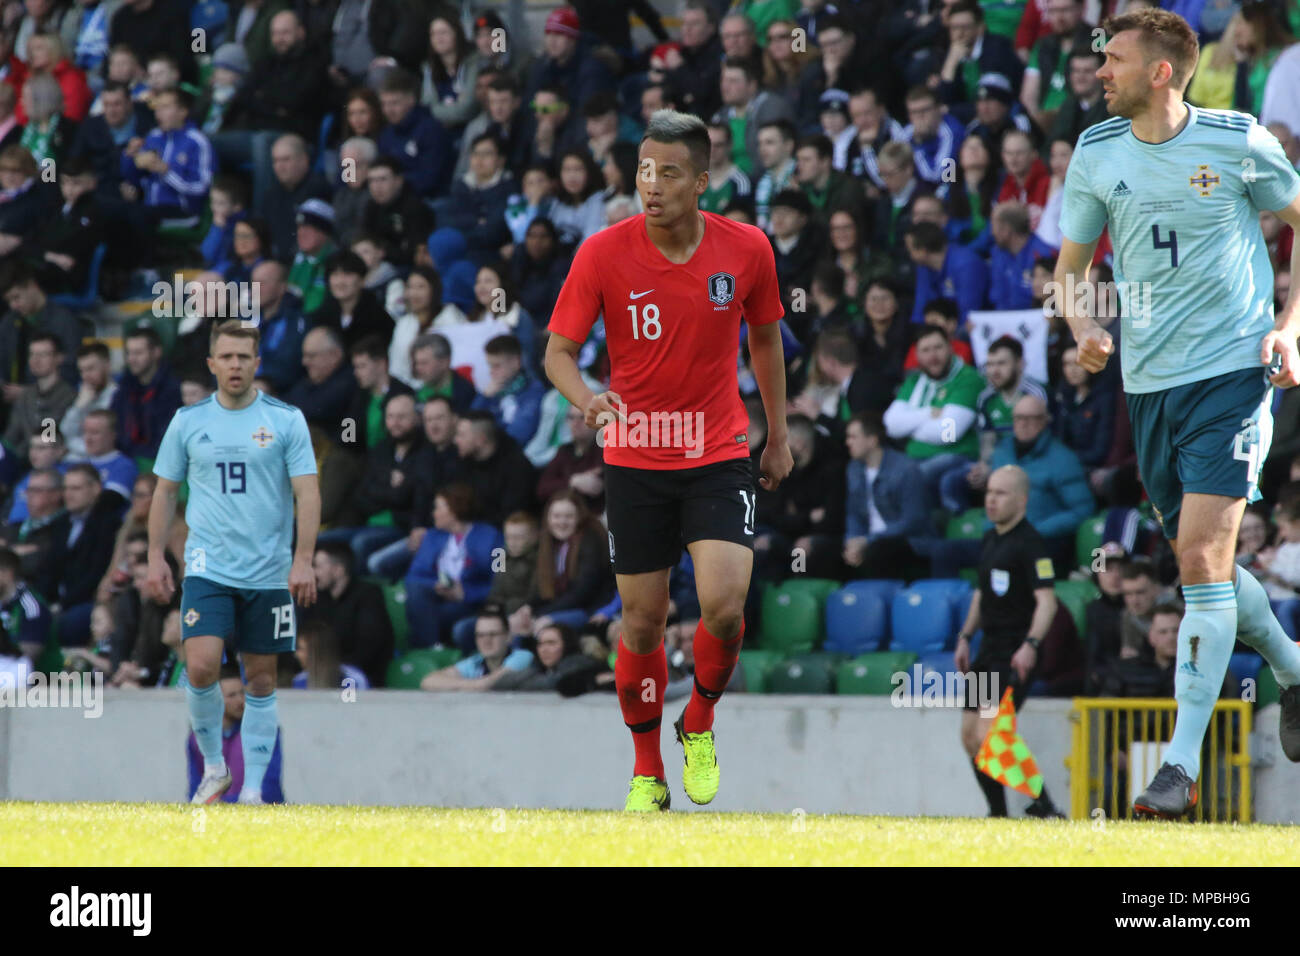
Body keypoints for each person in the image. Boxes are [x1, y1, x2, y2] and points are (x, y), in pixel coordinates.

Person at [1056, 8, 1300, 818]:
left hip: (1233, 372)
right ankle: (1294, 668)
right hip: (1147, 388)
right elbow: (1072, 267)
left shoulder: (1237, 140)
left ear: (1161, 72)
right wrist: (1085, 324)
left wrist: (1290, 327)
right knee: (1211, 570)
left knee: (1198, 561)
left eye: (1114, 58)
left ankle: (1177, 770)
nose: (1100, 70)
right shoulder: (1096, 153)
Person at [545, 110, 792, 812]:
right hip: (636, 457)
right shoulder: (602, 252)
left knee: (723, 606)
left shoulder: (747, 249)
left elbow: (766, 341)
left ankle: (701, 721)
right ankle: (648, 771)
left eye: (669, 173)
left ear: (703, 181)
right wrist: (588, 398)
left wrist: (776, 435)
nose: (651, 186)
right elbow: (557, 352)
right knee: (643, 623)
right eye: (644, 171)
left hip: (716, 448)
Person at [147, 319, 319, 806]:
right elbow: (164, 491)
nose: (236, 365)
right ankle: (214, 768)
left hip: (267, 570)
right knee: (200, 667)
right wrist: (156, 557)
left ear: (257, 361)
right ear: (212, 363)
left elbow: (308, 492)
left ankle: (253, 790)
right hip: (207, 567)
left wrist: (303, 559)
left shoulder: (286, 420)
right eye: (227, 357)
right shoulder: (188, 420)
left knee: (261, 678)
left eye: (244, 356)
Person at [953, 464, 1067, 818]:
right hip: (988, 649)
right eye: (989, 492)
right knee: (971, 735)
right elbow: (980, 595)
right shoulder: (990, 538)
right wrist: (965, 637)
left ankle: (1045, 805)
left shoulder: (1031, 544)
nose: (991, 500)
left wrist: (1031, 645)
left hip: (1015, 652)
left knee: (992, 733)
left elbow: (1047, 602)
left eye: (1000, 493)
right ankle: (998, 813)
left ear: (1022, 499)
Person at [404, 482, 502, 650]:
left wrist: (465, 593)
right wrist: (436, 586)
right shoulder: (432, 537)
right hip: (436, 597)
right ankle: (430, 650)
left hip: (474, 603)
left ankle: (428, 651)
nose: (433, 513)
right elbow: (413, 576)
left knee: (432, 617)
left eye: (438, 508)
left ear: (454, 509)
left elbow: (502, 580)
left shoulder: (494, 537)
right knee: (415, 592)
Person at [186, 662, 285, 804]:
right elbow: (195, 787)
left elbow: (270, 788)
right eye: (231, 695)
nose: (240, 701)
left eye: (242, 693)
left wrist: (225, 804)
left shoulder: (262, 732)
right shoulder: (198, 738)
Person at [302, 544, 392, 687]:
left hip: (359, 676)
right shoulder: (317, 597)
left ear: (338, 570)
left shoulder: (368, 595)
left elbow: (370, 645)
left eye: (318, 567)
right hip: (321, 674)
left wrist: (336, 668)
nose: (314, 573)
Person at [418, 605, 533, 691]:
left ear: (508, 637)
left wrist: (462, 685)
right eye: (480, 635)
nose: (486, 640)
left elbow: (489, 684)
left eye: (493, 634)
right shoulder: (475, 662)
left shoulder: (522, 657)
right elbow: (428, 681)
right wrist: (469, 685)